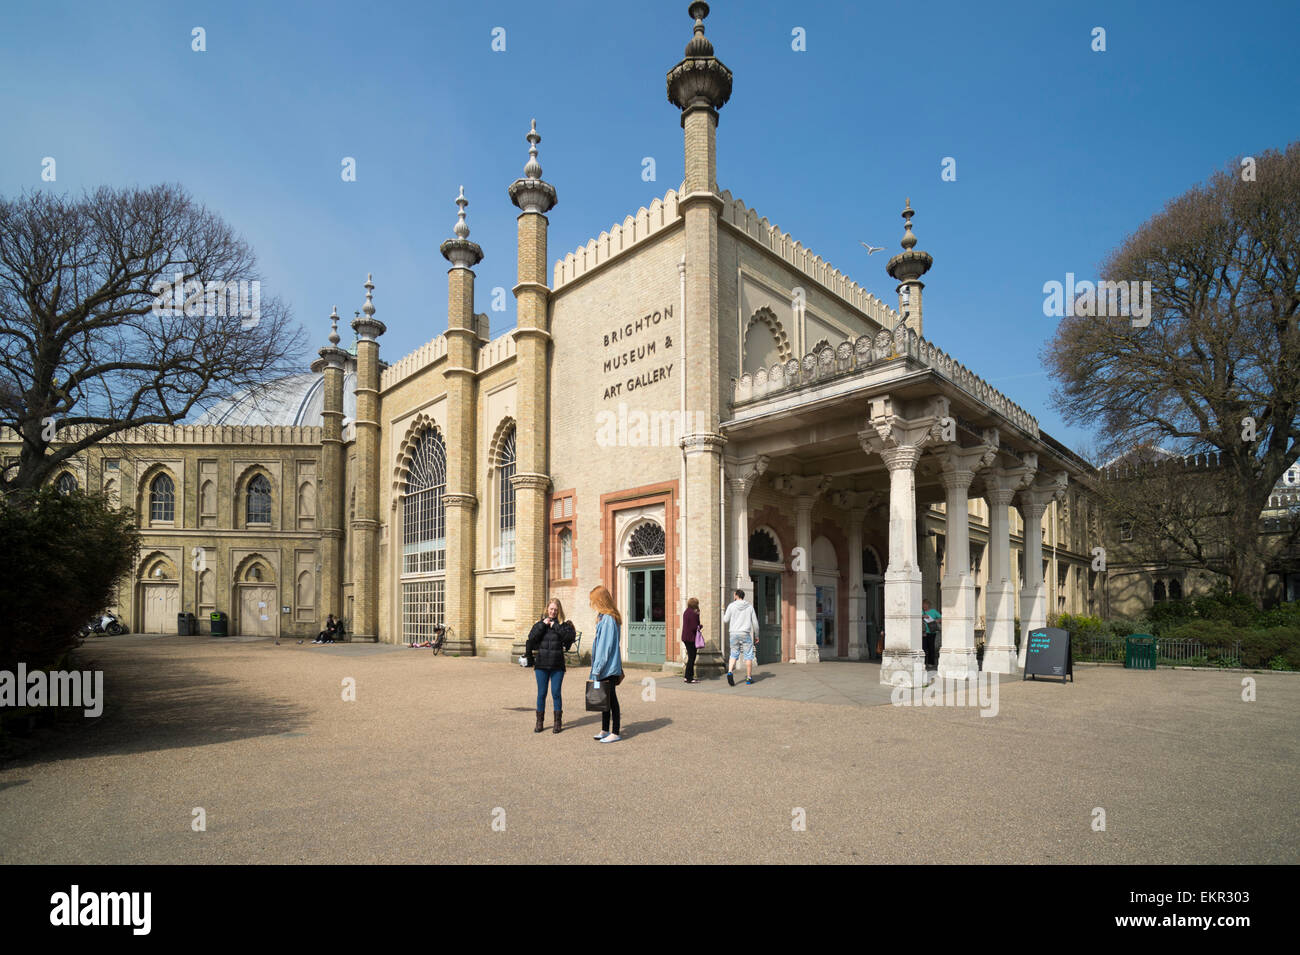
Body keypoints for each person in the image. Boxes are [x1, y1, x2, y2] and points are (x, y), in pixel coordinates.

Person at [525, 598, 576, 734]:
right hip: (541, 664)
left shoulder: (563, 625)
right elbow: (531, 638)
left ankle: (557, 722)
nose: (553, 612)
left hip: (557, 665)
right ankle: (539, 722)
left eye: (555, 609)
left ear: (558, 611)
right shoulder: (540, 624)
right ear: (547, 609)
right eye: (551, 609)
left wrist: (555, 626)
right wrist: (543, 625)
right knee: (541, 693)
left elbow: (567, 638)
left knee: (556, 693)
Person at [589, 585, 625, 743]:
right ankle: (605, 729)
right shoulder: (604, 617)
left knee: (611, 699)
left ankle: (615, 732)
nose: (592, 604)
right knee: (604, 698)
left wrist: (596, 669)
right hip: (606, 667)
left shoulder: (609, 619)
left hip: (608, 668)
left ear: (600, 600)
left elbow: (605, 648)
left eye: (594, 601)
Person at [723, 589, 760, 685]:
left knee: (734, 653)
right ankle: (748, 678)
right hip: (745, 633)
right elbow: (755, 623)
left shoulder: (731, 606)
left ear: (736, 595)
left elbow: (725, 620)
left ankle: (730, 672)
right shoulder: (749, 607)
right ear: (743, 596)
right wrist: (757, 635)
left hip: (734, 633)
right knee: (748, 655)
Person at [681, 597, 702, 683]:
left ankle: (687, 676)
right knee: (692, 658)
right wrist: (700, 626)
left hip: (685, 637)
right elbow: (695, 627)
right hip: (691, 638)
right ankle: (689, 677)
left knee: (690, 657)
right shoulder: (693, 614)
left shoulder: (686, 612)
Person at [922, 599, 941, 669]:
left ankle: (931, 662)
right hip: (923, 632)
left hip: (931, 632)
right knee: (923, 648)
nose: (924, 606)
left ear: (928, 605)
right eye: (923, 604)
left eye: (925, 604)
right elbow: (916, 617)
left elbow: (941, 618)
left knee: (931, 647)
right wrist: (923, 616)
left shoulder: (933, 611)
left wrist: (936, 620)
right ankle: (923, 662)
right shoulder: (921, 611)